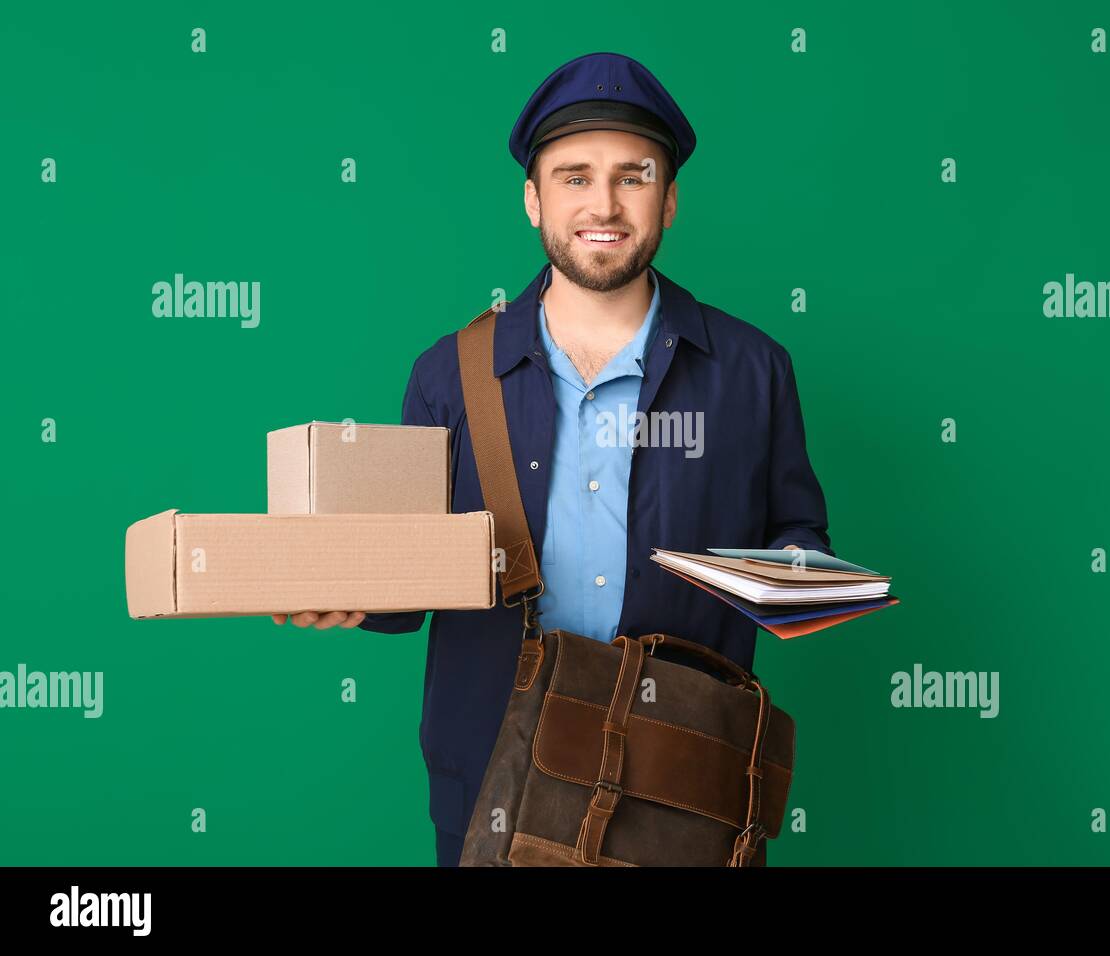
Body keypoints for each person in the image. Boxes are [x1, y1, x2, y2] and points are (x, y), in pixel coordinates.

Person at [272, 52, 832, 867]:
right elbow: (410, 574)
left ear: (668, 199)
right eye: (574, 177)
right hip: (495, 772)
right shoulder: (447, 374)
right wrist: (349, 598)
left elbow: (797, 539)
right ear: (534, 200)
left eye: (631, 176)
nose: (602, 204)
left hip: (683, 778)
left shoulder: (754, 369)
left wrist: (797, 585)